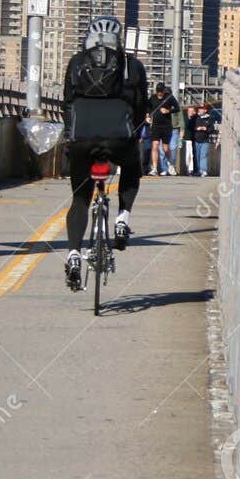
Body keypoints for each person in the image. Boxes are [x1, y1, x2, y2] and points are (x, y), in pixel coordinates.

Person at [61, 16, 149, 292]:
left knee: (79, 198)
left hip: (82, 140)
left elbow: (67, 103)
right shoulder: (132, 66)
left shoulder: (76, 63)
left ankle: (74, 254)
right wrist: (131, 132)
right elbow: (140, 107)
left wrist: (70, 135)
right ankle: (123, 218)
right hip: (118, 139)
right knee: (132, 167)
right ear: (119, 40)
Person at [150, 82, 179, 175]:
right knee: (155, 145)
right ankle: (154, 167)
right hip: (155, 125)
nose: (159, 94)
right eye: (158, 92)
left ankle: (170, 164)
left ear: (164, 91)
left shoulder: (169, 97)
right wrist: (147, 115)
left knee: (165, 148)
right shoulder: (153, 98)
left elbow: (177, 108)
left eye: (161, 92)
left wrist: (168, 111)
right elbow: (148, 107)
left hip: (166, 126)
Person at [191, 103, 215, 176]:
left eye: (202, 109)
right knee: (196, 155)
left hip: (205, 140)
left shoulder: (209, 118)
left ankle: (203, 170)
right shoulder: (195, 117)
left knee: (203, 155)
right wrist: (196, 128)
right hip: (196, 139)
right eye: (199, 109)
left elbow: (212, 129)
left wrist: (206, 129)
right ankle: (197, 170)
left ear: (205, 110)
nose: (200, 110)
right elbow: (190, 127)